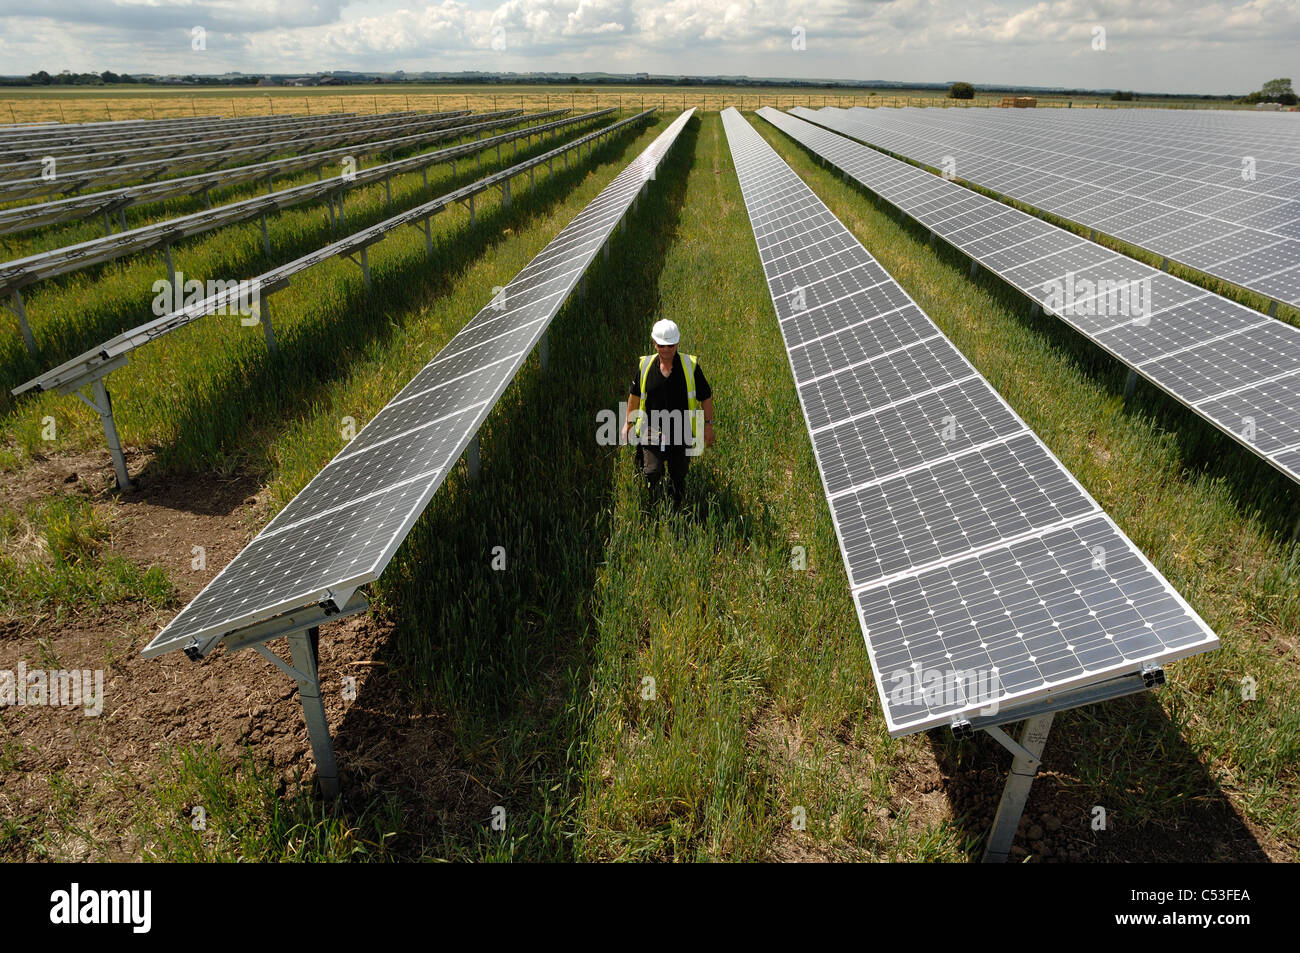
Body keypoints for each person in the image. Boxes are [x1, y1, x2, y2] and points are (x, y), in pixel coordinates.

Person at [621, 319, 715, 505]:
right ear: (654, 343)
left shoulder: (690, 366)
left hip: (681, 430)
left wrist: (708, 426)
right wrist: (628, 423)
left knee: (678, 474)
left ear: (677, 343)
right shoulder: (645, 366)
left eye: (670, 345)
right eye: (662, 345)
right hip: (651, 429)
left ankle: (676, 506)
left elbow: (706, 397)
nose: (666, 349)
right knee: (652, 472)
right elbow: (634, 396)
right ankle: (653, 505)